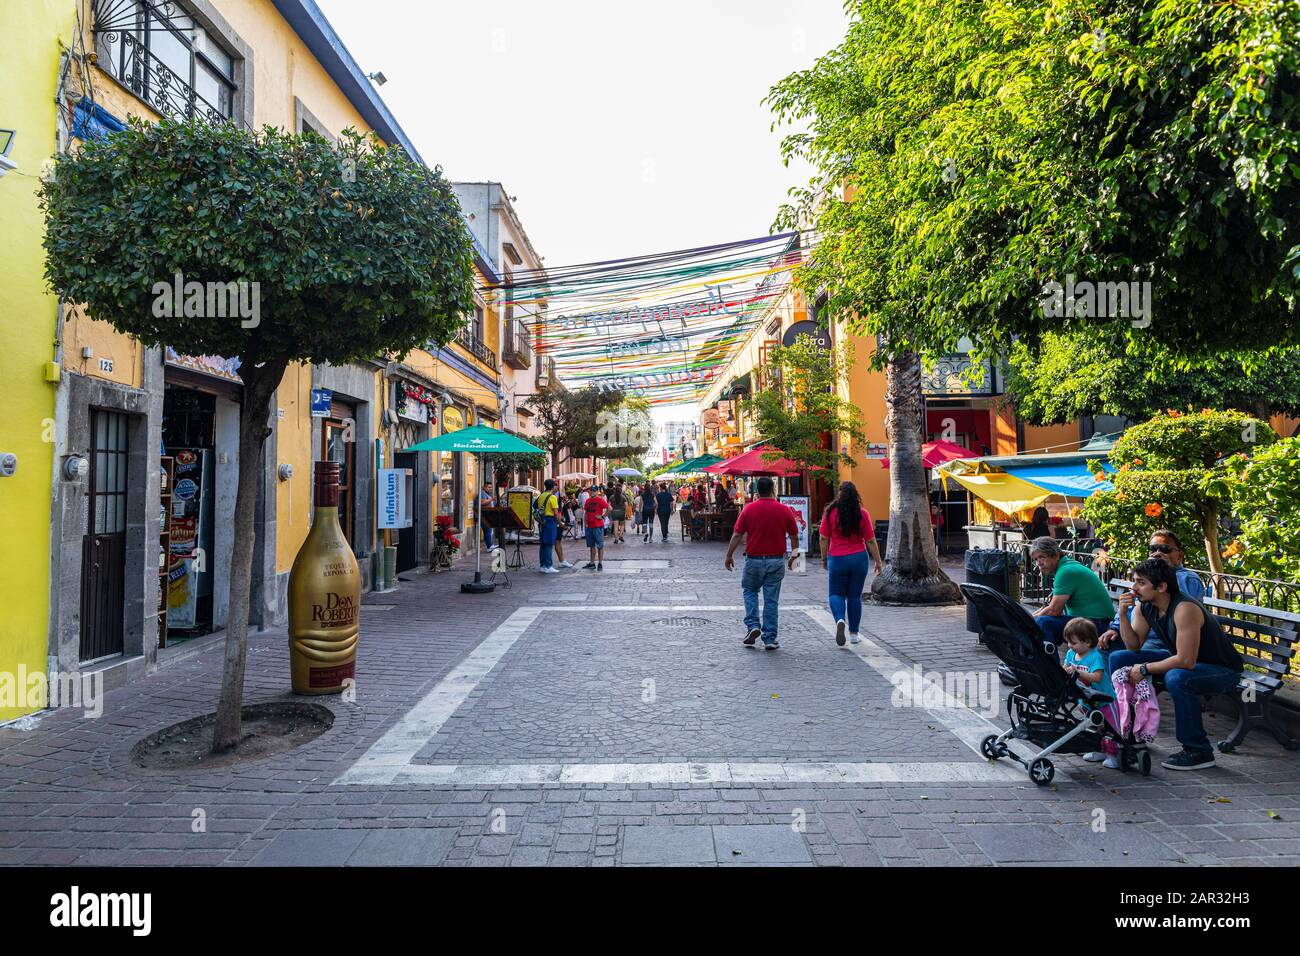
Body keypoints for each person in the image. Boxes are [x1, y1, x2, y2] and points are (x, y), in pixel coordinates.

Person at [1108, 558, 1244, 771]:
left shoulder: (1184, 608)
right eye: (1134, 581)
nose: (1134, 588)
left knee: (1178, 677)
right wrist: (1123, 615)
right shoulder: (1146, 607)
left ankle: (1198, 750)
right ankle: (1130, 732)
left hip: (1221, 670)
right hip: (1186, 661)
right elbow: (1133, 646)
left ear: (1161, 587)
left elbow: (1185, 661)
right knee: (1119, 658)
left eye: (1140, 582)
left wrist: (1144, 669)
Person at [725, 477, 800, 649]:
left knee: (750, 592)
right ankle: (769, 638)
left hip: (754, 560)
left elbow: (737, 534)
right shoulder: (784, 510)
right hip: (776, 560)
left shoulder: (749, 509)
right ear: (773, 489)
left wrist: (729, 555)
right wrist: (794, 556)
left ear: (757, 491)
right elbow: (794, 536)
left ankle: (752, 626)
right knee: (771, 600)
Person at [1098, 529, 1203, 650]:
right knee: (1105, 645)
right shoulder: (1146, 576)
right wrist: (1114, 627)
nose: (1157, 553)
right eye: (1153, 549)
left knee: (1122, 656)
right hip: (1136, 634)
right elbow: (1130, 603)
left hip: (1163, 641)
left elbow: (1184, 606)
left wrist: (1165, 569)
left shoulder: (1188, 578)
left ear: (1179, 556)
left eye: (1165, 549)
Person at [818, 482, 884, 647]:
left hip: (837, 558)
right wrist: (878, 561)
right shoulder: (862, 514)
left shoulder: (830, 513)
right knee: (854, 596)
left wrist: (824, 558)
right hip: (858, 559)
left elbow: (823, 538)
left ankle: (840, 619)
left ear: (839, 495)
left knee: (836, 594)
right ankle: (854, 634)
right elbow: (870, 540)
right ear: (856, 495)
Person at [1029, 536, 1115, 645]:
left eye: (1042, 557)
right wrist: (1029, 618)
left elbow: (1053, 611)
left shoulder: (1066, 572)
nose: (1038, 563)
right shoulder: (1065, 567)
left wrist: (1029, 621)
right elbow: (1053, 609)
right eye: (1036, 559)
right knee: (1041, 622)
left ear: (1055, 555)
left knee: (1043, 622)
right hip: (1089, 622)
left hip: (1098, 625)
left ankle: (1049, 661)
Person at [1061, 618, 1121, 768]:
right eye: (1068, 642)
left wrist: (1077, 672)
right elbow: (1066, 667)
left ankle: (1112, 754)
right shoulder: (1070, 654)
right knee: (1094, 726)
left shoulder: (1095, 656)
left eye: (1073, 643)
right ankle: (1099, 749)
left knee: (1110, 728)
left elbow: (1097, 676)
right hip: (1086, 700)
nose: (1070, 646)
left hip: (1105, 700)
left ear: (1087, 642)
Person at [536, 479, 561, 574]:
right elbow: (555, 512)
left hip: (542, 520)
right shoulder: (553, 497)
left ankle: (542, 565)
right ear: (553, 486)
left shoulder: (541, 495)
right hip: (550, 521)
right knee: (549, 543)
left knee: (543, 543)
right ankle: (548, 565)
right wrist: (560, 522)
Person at [582, 485, 610, 570]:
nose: (592, 492)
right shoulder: (588, 500)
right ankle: (592, 563)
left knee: (600, 545)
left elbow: (610, 508)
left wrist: (602, 516)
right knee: (591, 546)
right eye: (591, 490)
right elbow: (586, 513)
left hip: (598, 526)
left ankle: (600, 563)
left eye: (594, 491)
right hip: (589, 526)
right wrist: (585, 523)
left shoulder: (600, 500)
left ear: (597, 491)